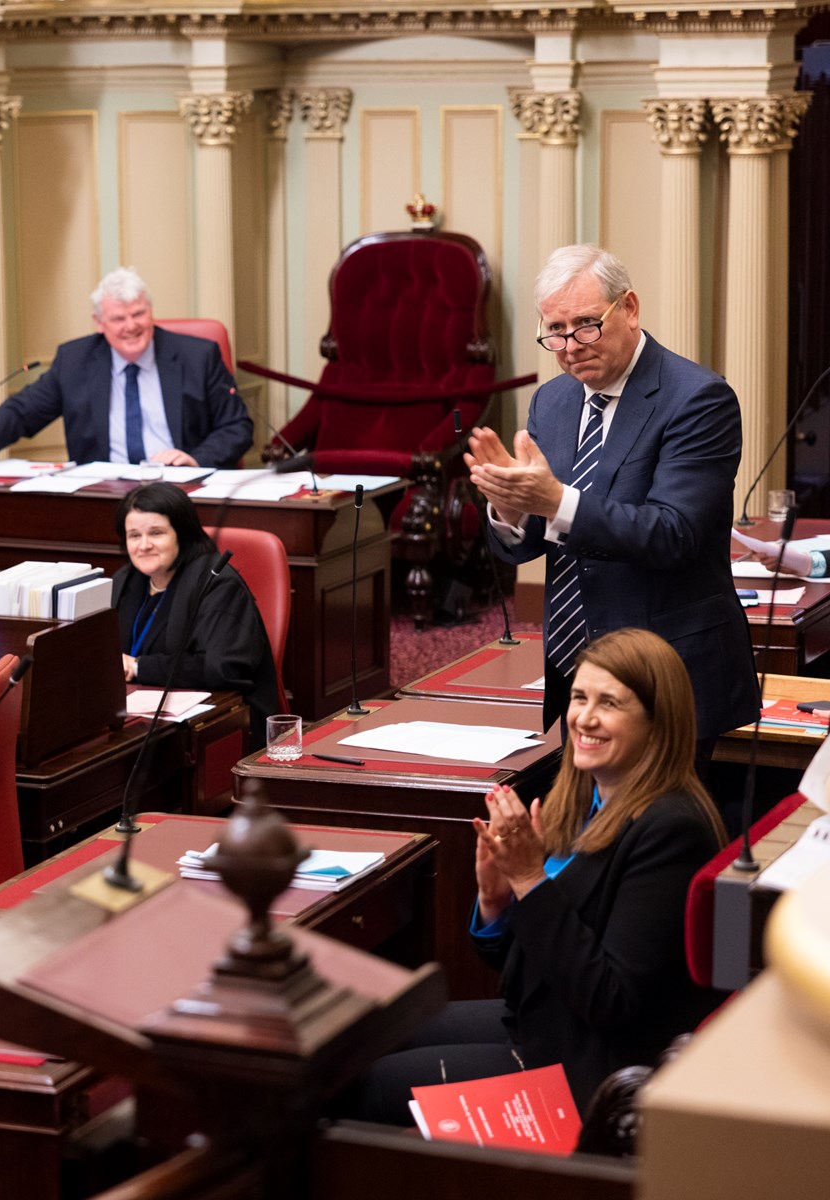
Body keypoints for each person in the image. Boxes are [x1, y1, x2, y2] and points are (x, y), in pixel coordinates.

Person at [347, 627, 726, 1119]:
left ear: (658, 723)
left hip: (593, 1068)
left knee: (361, 1088)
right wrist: (497, 900)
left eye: (608, 704)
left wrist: (530, 880)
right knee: (366, 1035)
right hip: (545, 1025)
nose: (584, 719)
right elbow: (524, 968)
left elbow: (612, 1002)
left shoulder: (673, 830)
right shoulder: (583, 799)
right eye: (579, 698)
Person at [464, 244, 756, 748]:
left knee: (661, 826)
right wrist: (510, 508)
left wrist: (555, 501)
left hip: (668, 671)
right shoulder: (552, 400)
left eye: (585, 324)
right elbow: (535, 539)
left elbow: (673, 533)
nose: (571, 345)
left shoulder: (697, 398)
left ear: (629, 308)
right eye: (554, 331)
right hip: (574, 666)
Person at [0, 267, 252, 473]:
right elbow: (20, 413)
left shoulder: (197, 356)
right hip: (104, 493)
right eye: (119, 319)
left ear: (150, 312)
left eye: (138, 314)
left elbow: (237, 426)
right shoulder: (75, 361)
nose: (131, 326)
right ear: (99, 324)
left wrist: (193, 459)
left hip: (180, 490)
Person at [111, 482, 281, 745]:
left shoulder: (217, 583)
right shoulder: (127, 581)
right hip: (140, 715)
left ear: (182, 533)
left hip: (222, 721)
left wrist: (138, 667)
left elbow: (219, 668)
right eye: (134, 535)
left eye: (156, 533)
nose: (143, 545)